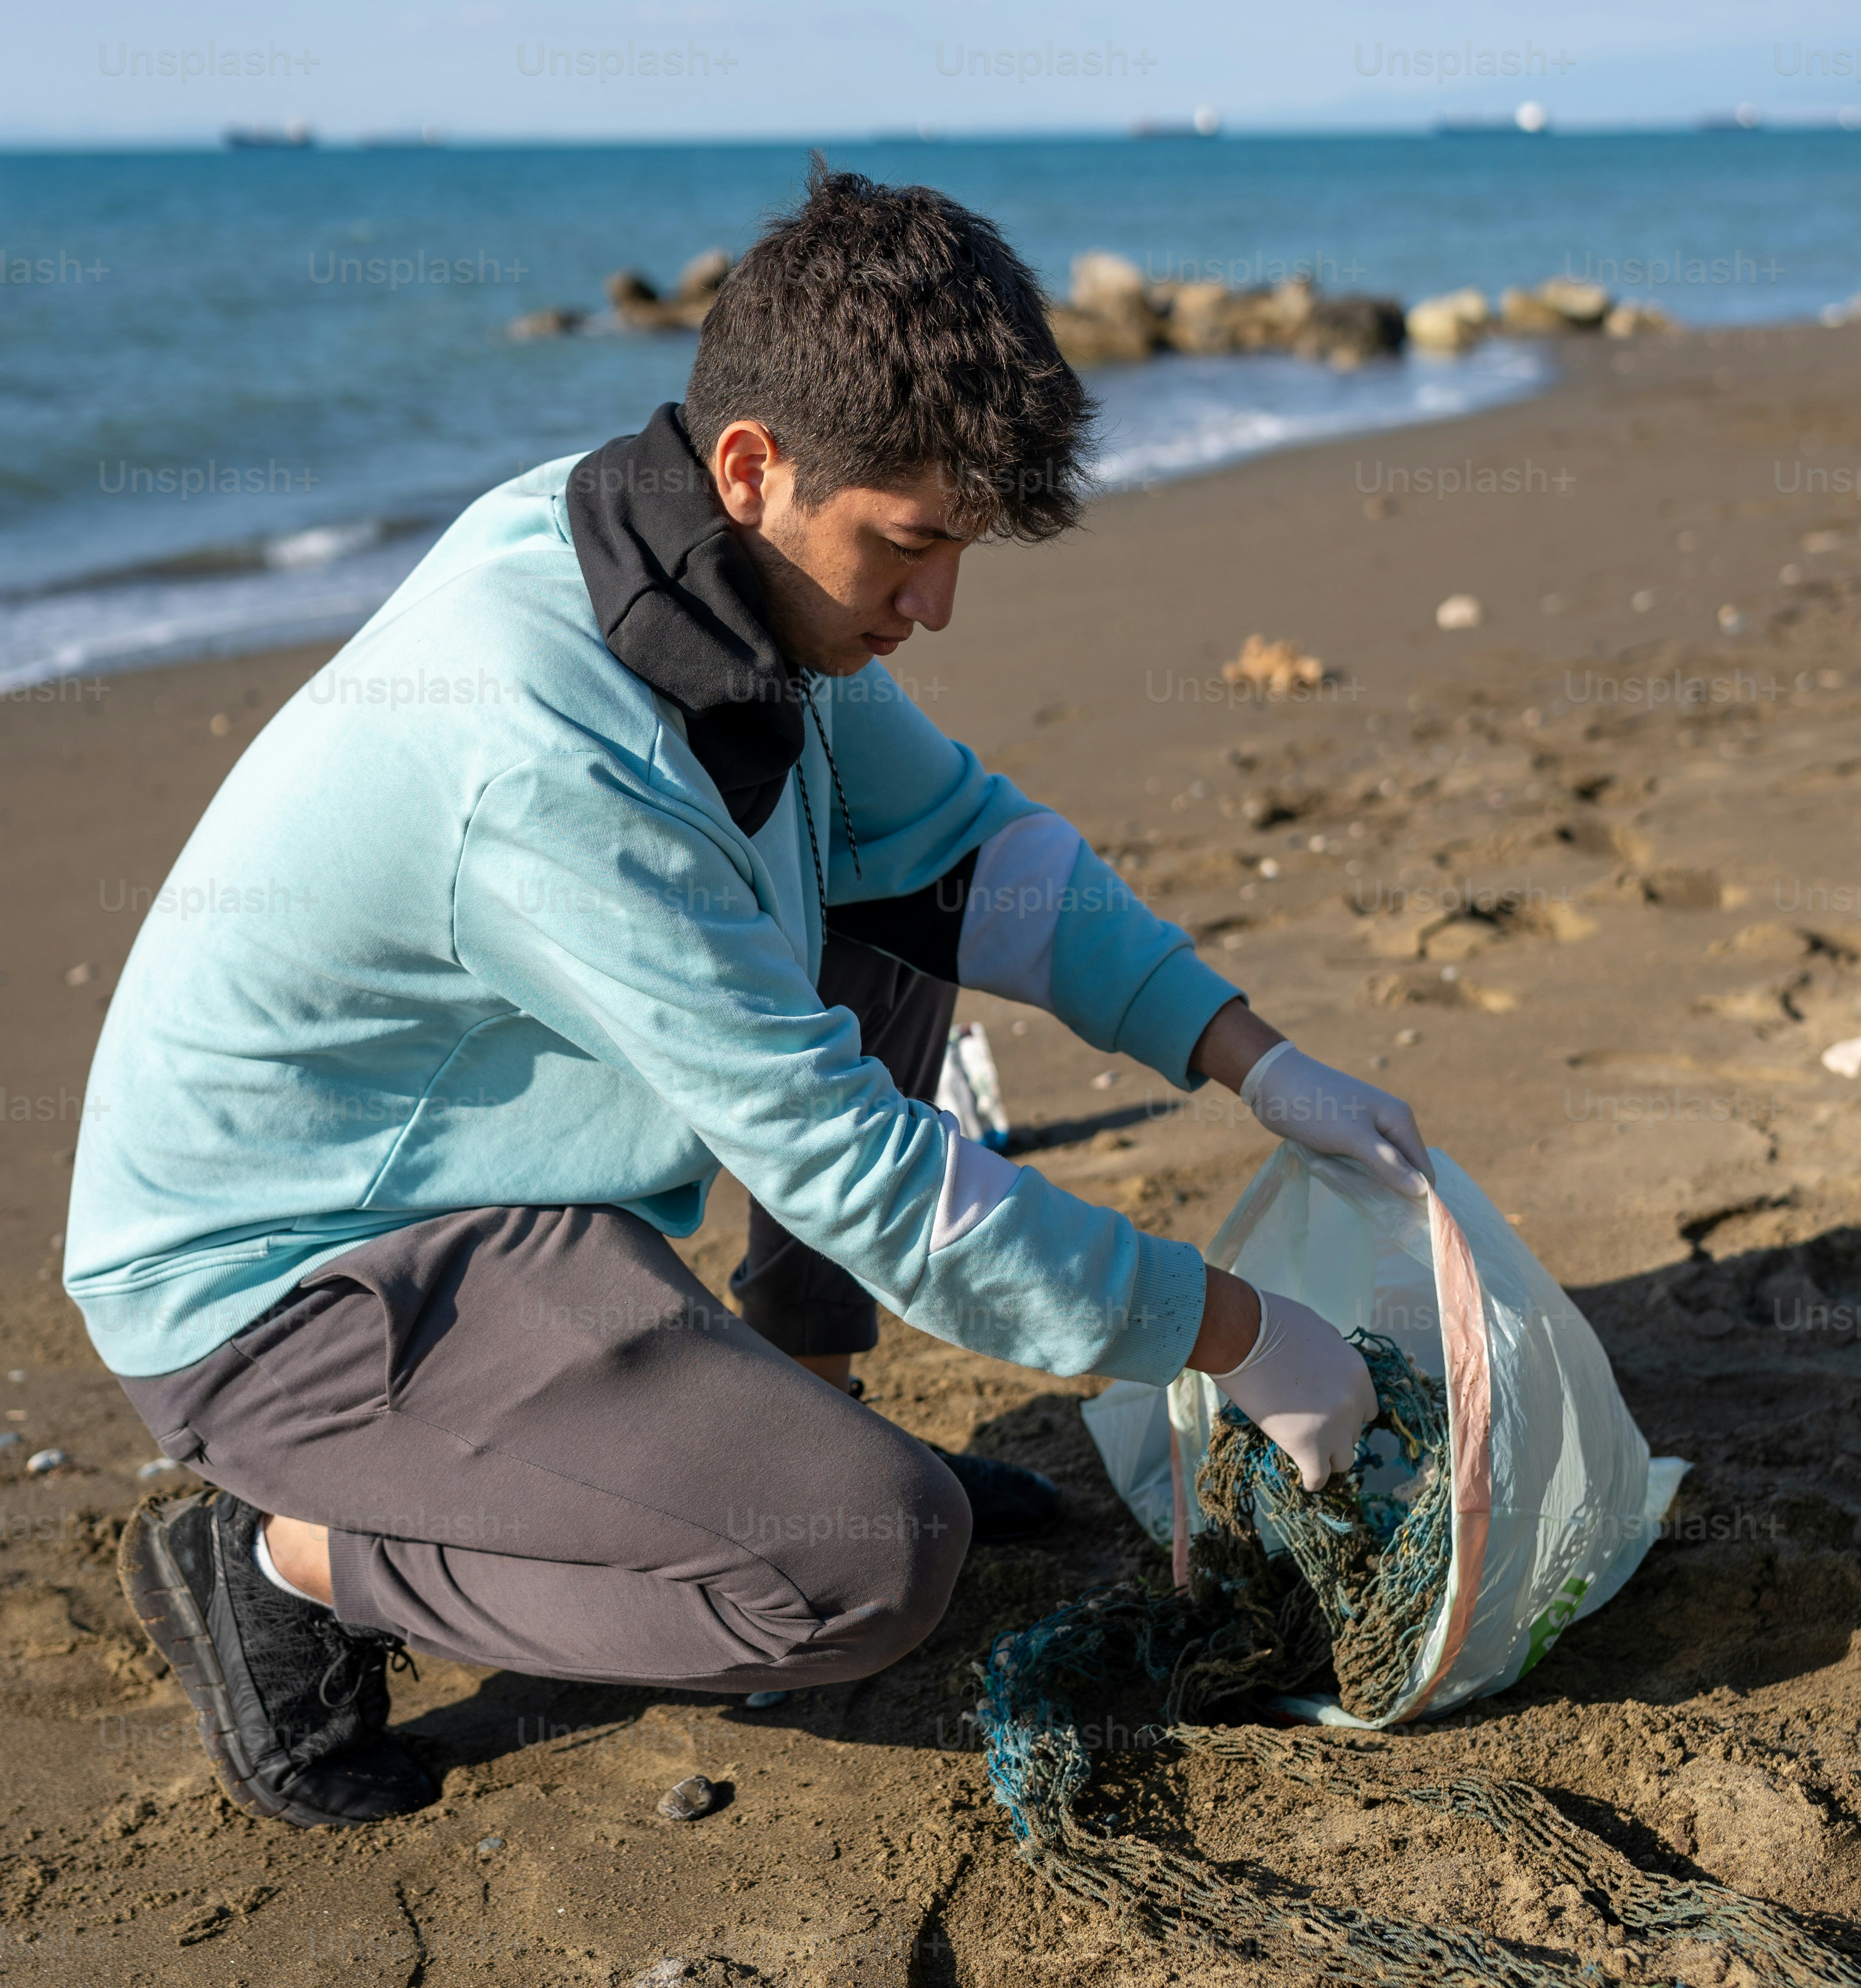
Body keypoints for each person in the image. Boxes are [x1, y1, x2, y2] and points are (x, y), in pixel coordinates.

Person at [65, 163, 1431, 1830]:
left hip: (480, 1174)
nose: (936, 610)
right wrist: (1242, 1336)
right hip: (286, 1288)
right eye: (913, 547)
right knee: (866, 1572)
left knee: (882, 894)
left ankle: (806, 1395)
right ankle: (281, 1556)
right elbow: (859, 1172)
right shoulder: (544, 753)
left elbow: (967, 853)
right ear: (752, 466)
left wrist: (1250, 1056)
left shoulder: (702, 573)